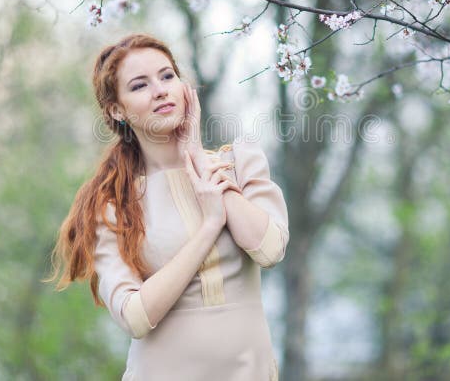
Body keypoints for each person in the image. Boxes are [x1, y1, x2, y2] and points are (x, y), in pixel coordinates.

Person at [46, 33, 289, 380]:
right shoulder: (113, 207)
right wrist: (209, 227)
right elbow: (135, 317)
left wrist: (200, 163)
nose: (160, 90)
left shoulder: (239, 161)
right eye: (140, 85)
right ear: (117, 110)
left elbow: (270, 249)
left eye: (166, 76)